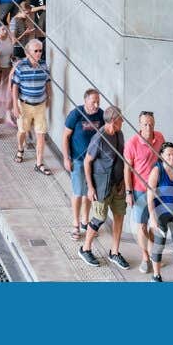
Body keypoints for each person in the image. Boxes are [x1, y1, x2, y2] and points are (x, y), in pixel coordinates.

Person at [80, 106, 129, 269]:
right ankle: (85, 249)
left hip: (117, 184)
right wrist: (90, 187)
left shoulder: (119, 134)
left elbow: (121, 158)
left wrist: (123, 180)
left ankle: (114, 252)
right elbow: (87, 162)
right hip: (101, 185)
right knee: (99, 218)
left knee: (119, 215)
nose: (123, 121)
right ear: (114, 121)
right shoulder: (98, 138)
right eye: (121, 119)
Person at [123, 111, 166, 273]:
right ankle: (145, 257)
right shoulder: (132, 143)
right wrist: (128, 192)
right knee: (141, 226)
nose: (149, 127)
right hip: (139, 191)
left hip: (157, 190)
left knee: (154, 225)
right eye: (145, 124)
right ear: (140, 125)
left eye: (151, 124)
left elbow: (163, 159)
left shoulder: (160, 137)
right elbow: (127, 169)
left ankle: (153, 254)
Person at [63, 89, 106, 240]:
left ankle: (85, 221)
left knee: (89, 192)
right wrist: (66, 158)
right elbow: (66, 136)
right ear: (85, 100)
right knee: (78, 192)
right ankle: (75, 224)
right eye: (93, 102)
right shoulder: (76, 114)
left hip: (94, 161)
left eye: (98, 102)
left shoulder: (101, 115)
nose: (96, 105)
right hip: (78, 160)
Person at [146, 141, 173, 282]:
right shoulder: (157, 171)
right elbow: (149, 198)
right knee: (159, 244)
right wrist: (152, 218)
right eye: (168, 154)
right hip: (160, 213)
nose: (172, 157)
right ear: (162, 156)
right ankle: (156, 275)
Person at [10, 39, 53, 172]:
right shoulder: (20, 66)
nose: (39, 53)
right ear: (28, 52)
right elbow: (15, 87)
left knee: (41, 133)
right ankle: (20, 148)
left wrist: (49, 97)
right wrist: (15, 106)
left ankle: (39, 163)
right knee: (22, 130)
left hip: (40, 105)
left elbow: (47, 83)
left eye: (40, 51)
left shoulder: (44, 65)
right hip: (24, 105)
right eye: (36, 51)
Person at [0, 21, 16, 128]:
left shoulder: (8, 37)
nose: (5, 31)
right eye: (3, 29)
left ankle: (8, 114)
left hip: (8, 68)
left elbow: (11, 51)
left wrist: (12, 57)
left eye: (7, 29)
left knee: (8, 93)